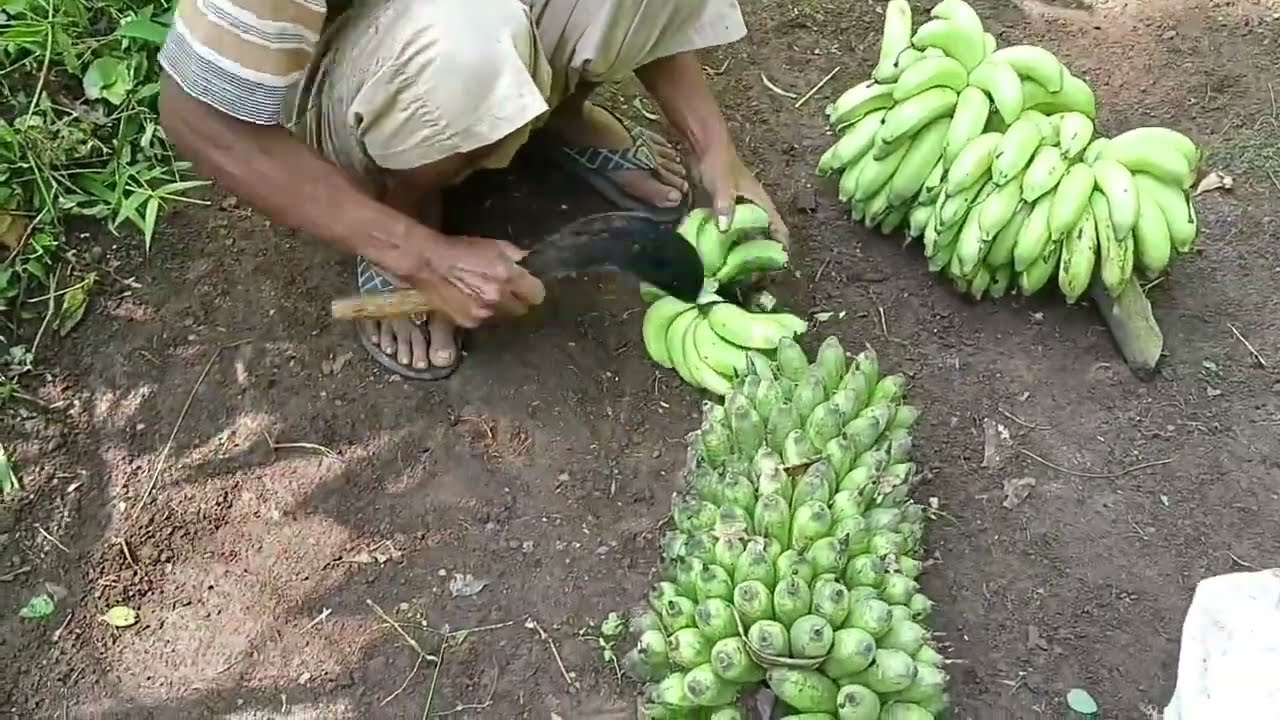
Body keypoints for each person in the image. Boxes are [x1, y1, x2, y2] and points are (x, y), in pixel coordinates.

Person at [157, 0, 788, 380]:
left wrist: (714, 147)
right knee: (468, 46)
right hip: (350, 73)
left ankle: (553, 112)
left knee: (479, 30)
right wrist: (416, 253)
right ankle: (400, 204)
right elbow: (198, 118)